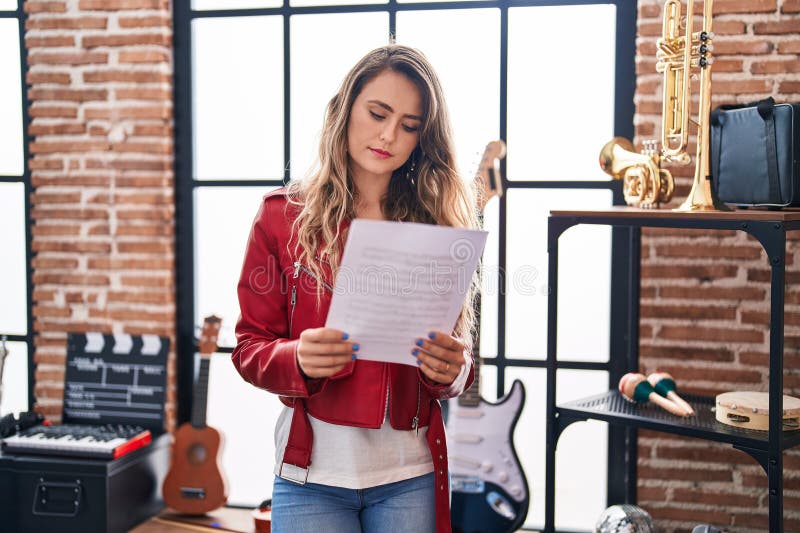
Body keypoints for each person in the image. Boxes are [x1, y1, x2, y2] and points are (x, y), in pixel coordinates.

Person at [232, 44, 478, 533]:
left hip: (411, 476)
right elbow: (248, 348)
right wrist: (297, 358)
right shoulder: (280, 217)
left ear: (422, 139)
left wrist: (454, 370)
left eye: (409, 125)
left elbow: (456, 360)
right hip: (309, 476)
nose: (388, 135)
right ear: (345, 109)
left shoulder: (440, 226)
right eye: (378, 114)